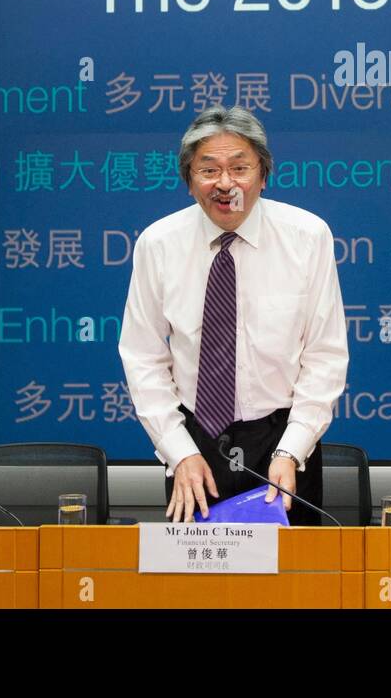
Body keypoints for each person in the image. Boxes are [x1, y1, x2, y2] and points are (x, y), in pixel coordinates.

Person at [119, 106, 348, 524]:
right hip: (194, 448)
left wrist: (292, 449)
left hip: (283, 444)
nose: (226, 184)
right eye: (208, 170)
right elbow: (143, 358)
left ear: (264, 174)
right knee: (195, 586)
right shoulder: (159, 243)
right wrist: (179, 451)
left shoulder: (307, 236)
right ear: (189, 179)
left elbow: (325, 357)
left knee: (296, 586)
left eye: (240, 167)